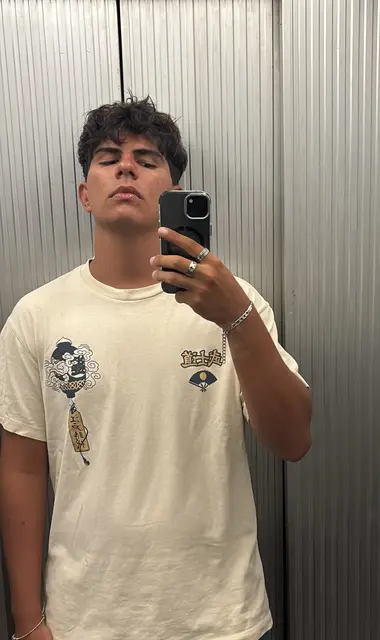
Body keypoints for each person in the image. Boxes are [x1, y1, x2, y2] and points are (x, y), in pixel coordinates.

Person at [0, 96, 312, 640]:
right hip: (85, 619)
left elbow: (293, 441)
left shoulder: (235, 302)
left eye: (147, 160)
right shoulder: (37, 316)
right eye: (108, 158)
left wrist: (236, 319)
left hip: (221, 620)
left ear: (173, 194)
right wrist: (27, 622)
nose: (126, 167)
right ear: (84, 194)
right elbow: (21, 471)